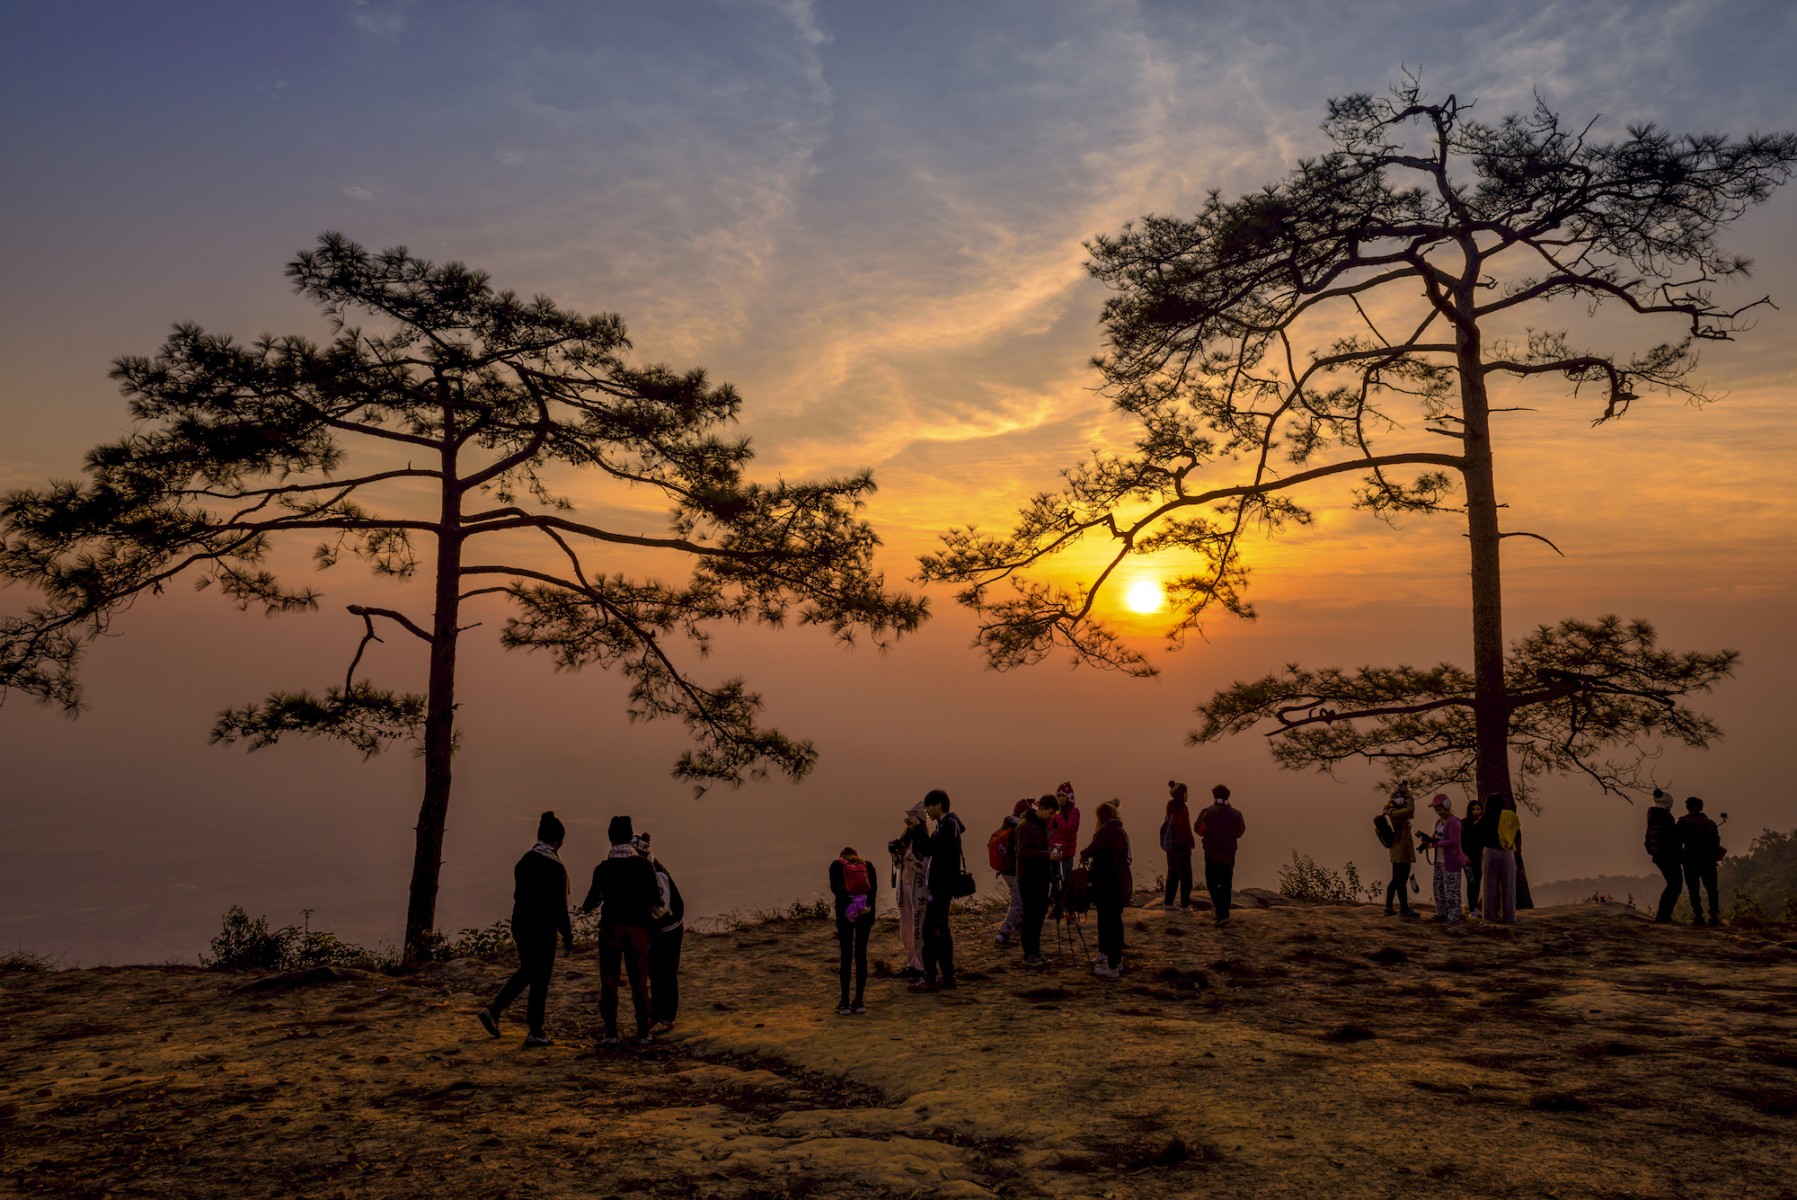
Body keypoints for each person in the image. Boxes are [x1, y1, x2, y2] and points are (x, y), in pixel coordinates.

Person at [477, 811, 574, 1047]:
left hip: (521, 925)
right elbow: (559, 906)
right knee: (540, 978)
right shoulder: (555, 867)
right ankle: (535, 1030)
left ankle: (495, 1011)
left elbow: (519, 895)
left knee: (529, 971)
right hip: (543, 929)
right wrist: (568, 935)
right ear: (556, 840)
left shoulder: (524, 861)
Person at [580, 815, 661, 1046]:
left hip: (611, 928)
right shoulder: (644, 866)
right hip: (637, 929)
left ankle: (611, 1033)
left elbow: (590, 902)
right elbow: (654, 899)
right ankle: (643, 1032)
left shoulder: (603, 869)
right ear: (630, 837)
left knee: (609, 981)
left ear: (610, 838)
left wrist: (590, 906)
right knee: (639, 981)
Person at [909, 789, 964, 994]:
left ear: (938, 805)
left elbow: (931, 848)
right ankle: (948, 976)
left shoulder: (948, 825)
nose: (928, 812)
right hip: (943, 885)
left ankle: (930, 978)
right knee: (942, 930)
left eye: (929, 807)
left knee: (929, 931)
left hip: (940, 886)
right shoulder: (949, 825)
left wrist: (918, 829)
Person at [633, 832, 685, 1036]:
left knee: (667, 973)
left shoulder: (657, 874)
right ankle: (658, 1012)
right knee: (655, 971)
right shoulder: (648, 869)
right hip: (659, 930)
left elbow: (661, 908)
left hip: (669, 930)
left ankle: (667, 1016)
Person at [1081, 801, 1132, 980]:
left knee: (1108, 922)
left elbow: (1092, 849)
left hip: (1107, 882)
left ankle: (1111, 966)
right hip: (1119, 882)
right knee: (1114, 922)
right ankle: (1113, 959)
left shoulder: (1105, 832)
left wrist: (1083, 854)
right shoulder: (1121, 831)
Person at [829, 846, 878, 1014]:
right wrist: (870, 915)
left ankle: (844, 1003)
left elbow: (836, 891)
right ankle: (859, 1001)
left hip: (846, 915)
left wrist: (849, 906)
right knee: (861, 955)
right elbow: (873, 892)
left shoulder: (836, 866)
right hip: (864, 913)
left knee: (846, 955)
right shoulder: (868, 866)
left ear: (842, 855)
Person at [887, 802, 930, 980]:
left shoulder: (924, 842)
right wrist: (895, 853)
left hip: (917, 890)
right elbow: (898, 865)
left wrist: (905, 854)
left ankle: (920, 966)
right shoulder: (908, 838)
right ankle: (911, 962)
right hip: (905, 889)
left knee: (918, 928)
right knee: (906, 929)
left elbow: (923, 868)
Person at [1015, 795, 1057, 967]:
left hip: (1041, 877)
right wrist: (1048, 855)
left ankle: (1036, 950)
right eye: (1050, 812)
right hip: (1029, 878)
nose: (1051, 816)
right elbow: (1023, 853)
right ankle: (1029, 953)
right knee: (1031, 916)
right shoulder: (1025, 826)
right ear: (1042, 808)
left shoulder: (1041, 826)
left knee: (1038, 916)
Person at [1195, 784, 1246, 924]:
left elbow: (1199, 830)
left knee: (1212, 882)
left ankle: (1220, 912)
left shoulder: (1207, 812)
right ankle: (1224, 914)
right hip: (1229, 853)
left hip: (1212, 852)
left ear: (1214, 795)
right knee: (1226, 883)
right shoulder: (1236, 814)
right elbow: (1240, 832)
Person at [1677, 796, 1723, 927]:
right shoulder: (1711, 823)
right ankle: (1714, 916)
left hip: (1690, 860)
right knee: (1712, 888)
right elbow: (1716, 842)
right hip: (1708, 859)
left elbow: (1677, 842)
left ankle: (1698, 915)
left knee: (1693, 888)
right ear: (1701, 807)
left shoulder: (1682, 822)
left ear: (1688, 807)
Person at [1422, 795, 1465, 926]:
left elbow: (1454, 841)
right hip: (1440, 861)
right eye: (1437, 810)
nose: (1439, 812)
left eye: (1440, 809)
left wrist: (1436, 844)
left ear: (1447, 806)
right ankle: (1441, 913)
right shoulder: (1439, 822)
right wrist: (1428, 840)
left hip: (1451, 861)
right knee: (1438, 888)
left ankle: (1454, 916)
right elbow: (1435, 836)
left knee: (1451, 890)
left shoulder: (1454, 822)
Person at [1477, 793, 1519, 924]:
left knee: (1490, 885)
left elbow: (1477, 833)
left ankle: (1490, 916)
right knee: (1509, 886)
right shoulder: (1509, 815)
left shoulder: (1486, 817)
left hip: (1490, 851)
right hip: (1507, 852)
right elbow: (1516, 831)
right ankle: (1510, 917)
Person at [994, 800, 1029, 947]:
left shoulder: (1007, 825)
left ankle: (1019, 924)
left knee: (1018, 899)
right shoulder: (1017, 828)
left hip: (1005, 870)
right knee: (1018, 902)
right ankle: (1003, 934)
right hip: (1012, 871)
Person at [1645, 789, 1683, 923]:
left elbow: (1648, 837)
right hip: (1668, 855)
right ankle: (1664, 915)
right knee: (1675, 885)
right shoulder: (1666, 817)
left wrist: (1653, 850)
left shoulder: (1652, 815)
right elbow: (1671, 839)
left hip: (1658, 854)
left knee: (1672, 884)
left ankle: (1662, 915)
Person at [1382, 787, 1418, 918]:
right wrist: (1409, 796)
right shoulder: (1394, 813)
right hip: (1399, 851)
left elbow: (1411, 813)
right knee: (1400, 880)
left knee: (1397, 880)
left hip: (1402, 850)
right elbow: (1410, 810)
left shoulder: (1397, 812)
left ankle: (1389, 907)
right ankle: (1403, 908)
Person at [1162, 781, 1196, 910]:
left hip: (1170, 846)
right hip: (1181, 847)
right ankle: (1185, 904)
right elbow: (1184, 828)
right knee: (1186, 876)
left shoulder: (1170, 805)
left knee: (1173, 874)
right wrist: (1190, 842)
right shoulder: (1182, 808)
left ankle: (1169, 902)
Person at [1049, 782, 1081, 887]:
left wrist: (1058, 816)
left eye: (1063, 796)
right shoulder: (1055, 811)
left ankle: (1066, 896)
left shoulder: (1074, 812)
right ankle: (1055, 894)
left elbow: (1068, 828)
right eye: (1058, 796)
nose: (1061, 799)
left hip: (1067, 848)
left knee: (1067, 876)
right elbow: (1049, 828)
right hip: (1055, 847)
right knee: (1054, 875)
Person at [1460, 795, 1487, 919]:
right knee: (1471, 882)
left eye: (1478, 809)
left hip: (1478, 858)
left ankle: (1474, 907)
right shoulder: (1464, 823)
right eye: (1473, 809)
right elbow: (1460, 841)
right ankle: (1471, 908)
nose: (1476, 811)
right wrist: (1464, 855)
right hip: (1467, 859)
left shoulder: (1483, 824)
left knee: (1478, 881)